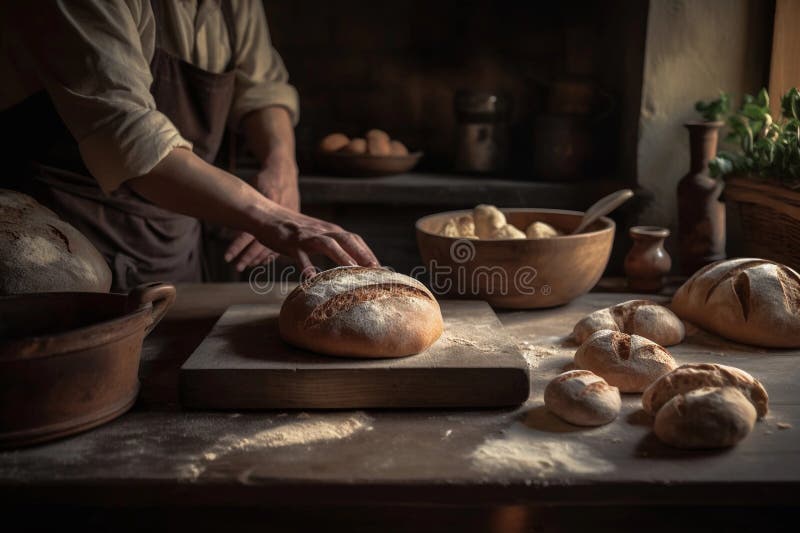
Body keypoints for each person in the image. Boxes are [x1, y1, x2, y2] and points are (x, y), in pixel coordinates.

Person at [0, 0, 378, 290]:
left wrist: (282, 166)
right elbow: (128, 133)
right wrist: (270, 217)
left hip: (175, 246)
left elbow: (261, 87)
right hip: (66, 249)